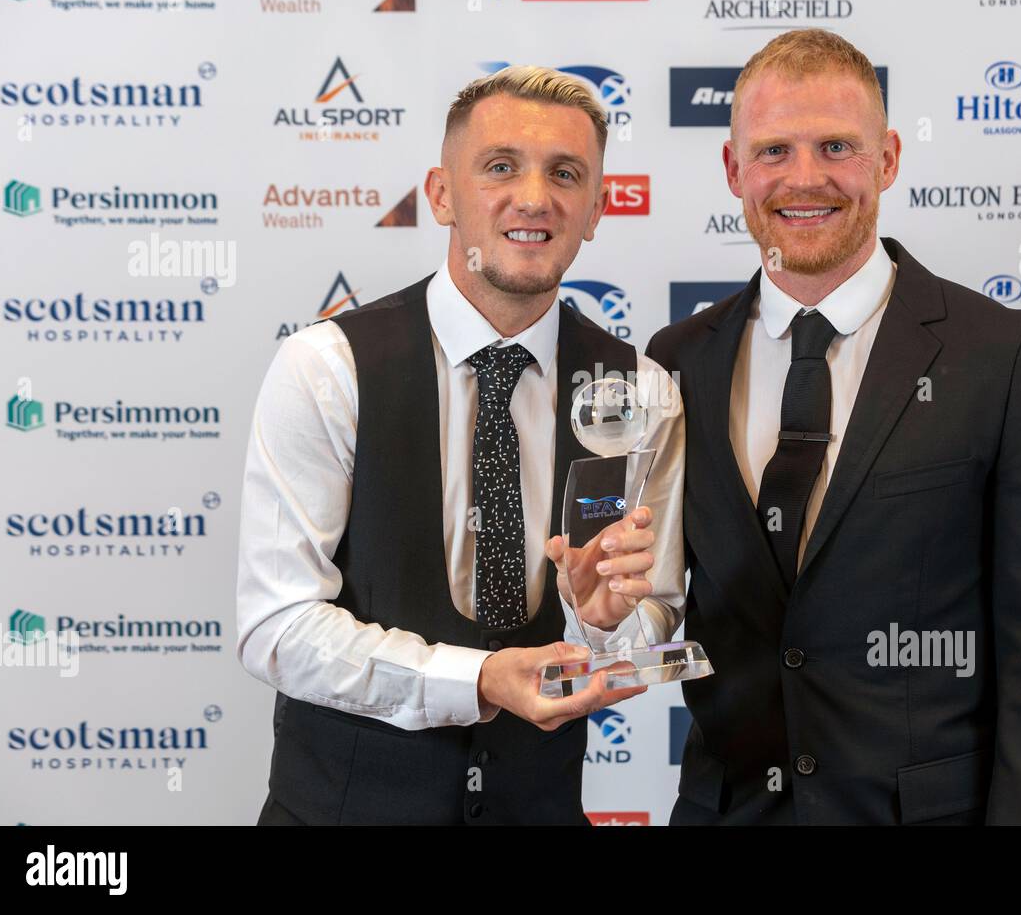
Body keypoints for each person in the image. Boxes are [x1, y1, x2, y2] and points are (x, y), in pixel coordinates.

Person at [640, 29, 1021, 824]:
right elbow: (654, 605)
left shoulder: (1001, 357)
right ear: (733, 170)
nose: (805, 178)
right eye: (775, 150)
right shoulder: (677, 361)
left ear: (887, 159)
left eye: (836, 147)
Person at [236, 66, 685, 825]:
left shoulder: (638, 390)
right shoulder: (327, 366)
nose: (535, 198)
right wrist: (476, 681)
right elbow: (275, 625)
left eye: (566, 174)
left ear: (598, 208)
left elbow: (647, 628)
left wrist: (602, 621)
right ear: (442, 193)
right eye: (501, 166)